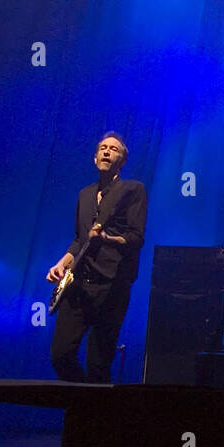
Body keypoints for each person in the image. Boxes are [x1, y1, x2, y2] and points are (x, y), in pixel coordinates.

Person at [47, 132, 147, 383]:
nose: (106, 151)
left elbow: (135, 238)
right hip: (80, 284)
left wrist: (106, 239)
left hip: (112, 286)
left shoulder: (132, 190)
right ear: (94, 158)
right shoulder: (85, 194)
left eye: (113, 149)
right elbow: (80, 239)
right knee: (60, 355)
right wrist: (60, 264)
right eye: (102, 148)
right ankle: (83, 403)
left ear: (122, 160)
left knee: (99, 363)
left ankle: (94, 416)